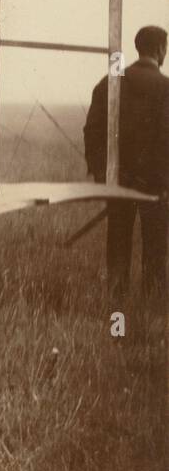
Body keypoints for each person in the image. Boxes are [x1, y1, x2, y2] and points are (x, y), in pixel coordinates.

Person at [83, 25, 169, 298]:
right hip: (157, 185)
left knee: (118, 243)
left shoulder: (112, 81)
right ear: (160, 49)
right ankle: (152, 305)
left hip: (118, 180)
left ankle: (116, 301)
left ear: (138, 47)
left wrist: (101, 173)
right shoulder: (166, 87)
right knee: (155, 248)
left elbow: (92, 130)